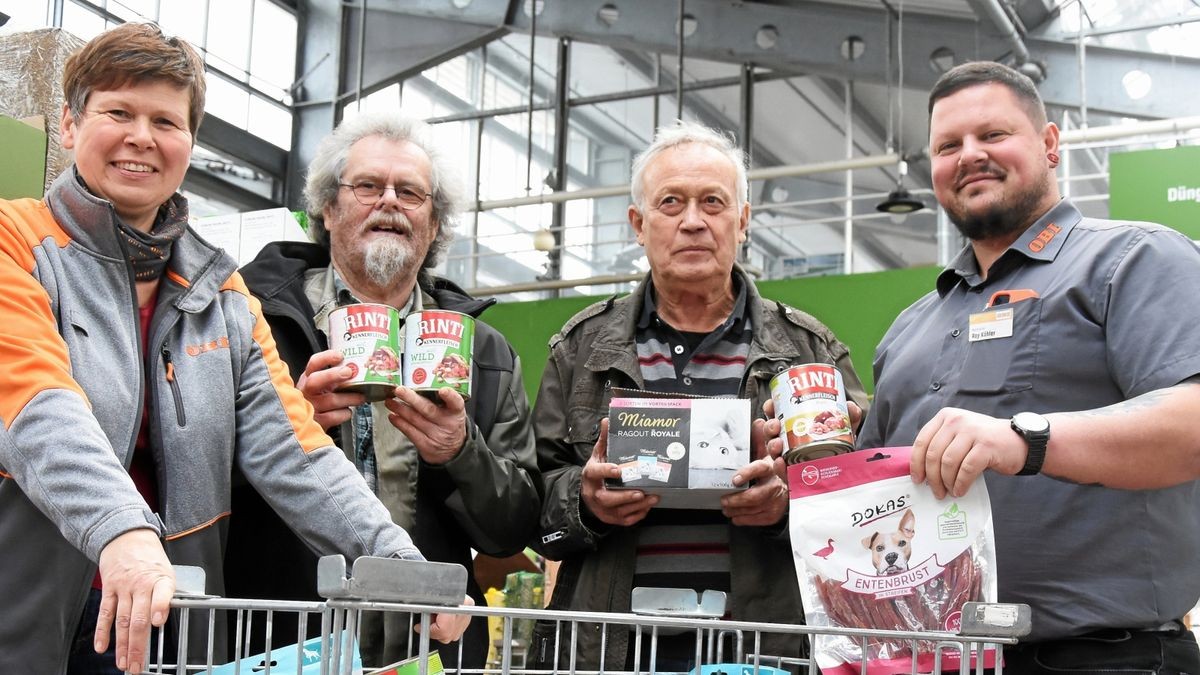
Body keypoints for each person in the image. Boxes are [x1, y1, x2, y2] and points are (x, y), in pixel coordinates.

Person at [0, 23, 467, 675]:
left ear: (189, 143)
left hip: (165, 627)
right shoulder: (14, 242)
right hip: (28, 615)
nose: (142, 136)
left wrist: (402, 564)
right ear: (71, 124)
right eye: (118, 112)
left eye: (166, 120)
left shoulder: (223, 294)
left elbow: (295, 450)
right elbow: (37, 403)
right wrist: (124, 531)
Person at [856, 61, 1200, 671]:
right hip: (930, 658)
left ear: (1049, 144)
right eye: (947, 145)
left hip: (1105, 658)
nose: (969, 156)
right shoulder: (909, 326)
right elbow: (876, 489)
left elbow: (1192, 424)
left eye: (992, 135)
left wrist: (1023, 439)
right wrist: (798, 467)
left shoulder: (1134, 260)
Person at [531, 120, 868, 669]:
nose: (693, 221)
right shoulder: (580, 348)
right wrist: (585, 501)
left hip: (763, 651)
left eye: (713, 202)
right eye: (671, 203)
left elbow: (866, 507)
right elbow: (529, 501)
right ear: (639, 225)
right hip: (610, 652)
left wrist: (787, 505)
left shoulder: (809, 349)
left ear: (743, 222)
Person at [226, 111, 540, 669]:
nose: (389, 201)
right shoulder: (252, 320)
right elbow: (192, 485)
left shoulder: (485, 353)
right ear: (328, 208)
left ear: (435, 223)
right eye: (367, 186)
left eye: (411, 192)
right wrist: (289, 427)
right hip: (277, 648)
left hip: (430, 652)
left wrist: (460, 454)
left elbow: (511, 531)